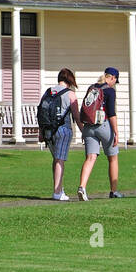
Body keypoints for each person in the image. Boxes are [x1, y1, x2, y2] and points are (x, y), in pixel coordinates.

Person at [77, 67, 124, 200]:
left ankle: (82, 187)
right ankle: (114, 191)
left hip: (88, 126)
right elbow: (111, 113)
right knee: (113, 158)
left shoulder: (92, 88)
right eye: (115, 80)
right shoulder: (110, 91)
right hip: (103, 125)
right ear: (112, 78)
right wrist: (116, 132)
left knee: (90, 158)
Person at [45, 69, 80, 200]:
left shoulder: (48, 92)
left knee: (55, 159)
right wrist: (83, 131)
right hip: (63, 130)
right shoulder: (70, 94)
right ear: (70, 80)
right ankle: (57, 191)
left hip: (48, 130)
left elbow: (41, 111)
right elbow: (76, 116)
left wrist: (41, 132)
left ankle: (58, 188)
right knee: (60, 160)